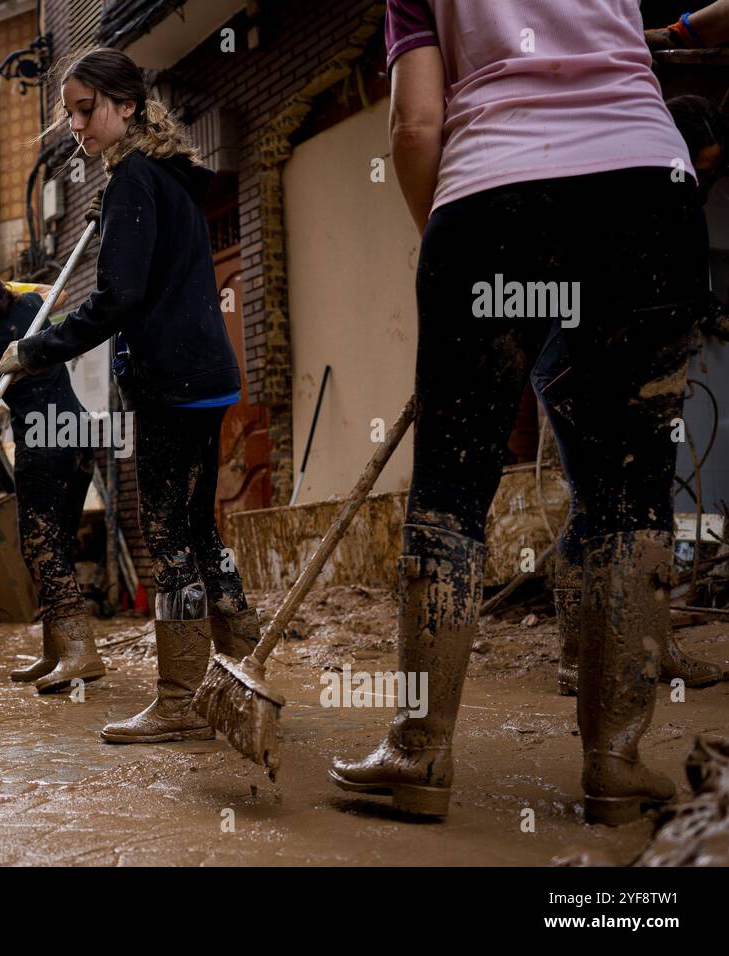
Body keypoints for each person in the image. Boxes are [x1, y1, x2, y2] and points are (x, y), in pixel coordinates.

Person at [331, 0, 706, 826]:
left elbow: (417, 122)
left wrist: (451, 248)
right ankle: (615, 763)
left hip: (495, 193)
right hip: (647, 191)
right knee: (629, 491)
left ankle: (420, 748)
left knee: (451, 489)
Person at [0, 48, 260, 742]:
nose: (77, 125)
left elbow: (117, 299)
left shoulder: (135, 180)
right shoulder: (173, 180)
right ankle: (242, 668)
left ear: (127, 105)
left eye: (87, 109)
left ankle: (177, 702)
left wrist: (32, 350)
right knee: (201, 528)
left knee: (166, 532)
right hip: (210, 376)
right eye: (70, 113)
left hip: (171, 383)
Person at [536, 94, 728, 696]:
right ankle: (575, 654)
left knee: (647, 509)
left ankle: (655, 646)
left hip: (610, 361)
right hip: (572, 368)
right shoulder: (618, 189)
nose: (702, 179)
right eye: (702, 163)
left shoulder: (659, 191)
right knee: (595, 507)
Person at [0, 262, 105, 693]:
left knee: (40, 546)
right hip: (81, 432)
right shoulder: (32, 305)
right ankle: (55, 653)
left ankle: (79, 653)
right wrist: (9, 288)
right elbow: (60, 293)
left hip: (42, 441)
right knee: (60, 542)